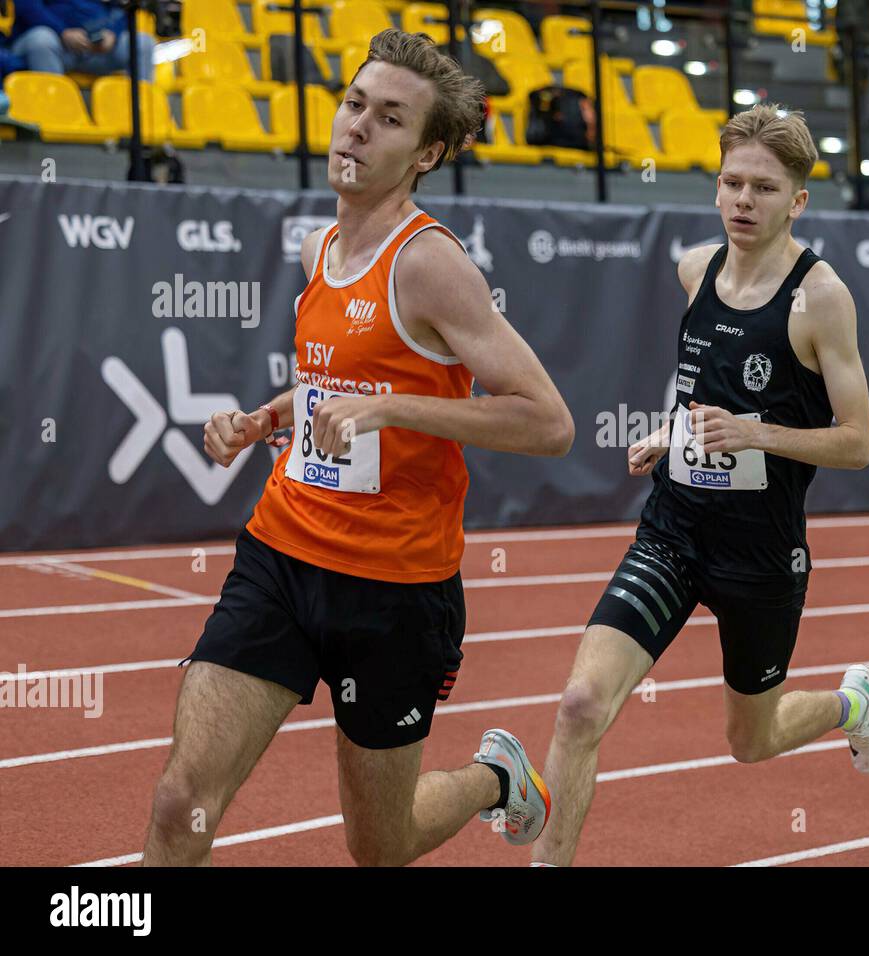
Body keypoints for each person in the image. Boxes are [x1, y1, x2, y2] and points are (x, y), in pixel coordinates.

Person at [141, 29, 575, 866]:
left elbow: (548, 422)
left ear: (428, 152)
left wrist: (391, 410)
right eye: (353, 105)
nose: (357, 129)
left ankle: (497, 776)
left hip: (395, 590)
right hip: (282, 555)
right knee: (177, 803)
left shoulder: (432, 266)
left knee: (380, 846)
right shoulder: (320, 247)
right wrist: (267, 419)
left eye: (388, 119)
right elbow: (330, 383)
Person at [530, 104, 869, 867]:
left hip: (760, 554)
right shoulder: (695, 268)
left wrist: (757, 432)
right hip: (674, 533)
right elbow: (702, 385)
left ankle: (850, 704)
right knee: (578, 706)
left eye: (763, 188)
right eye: (730, 182)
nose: (742, 201)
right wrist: (675, 431)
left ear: (798, 200)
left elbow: (859, 442)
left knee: (749, 743)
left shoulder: (819, 297)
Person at [9, 0, 155, 82]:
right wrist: (62, 32)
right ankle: (51, 109)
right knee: (41, 38)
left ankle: (136, 114)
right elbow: (26, 7)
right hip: (53, 47)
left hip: (94, 49)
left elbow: (123, 8)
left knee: (143, 43)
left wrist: (113, 34)